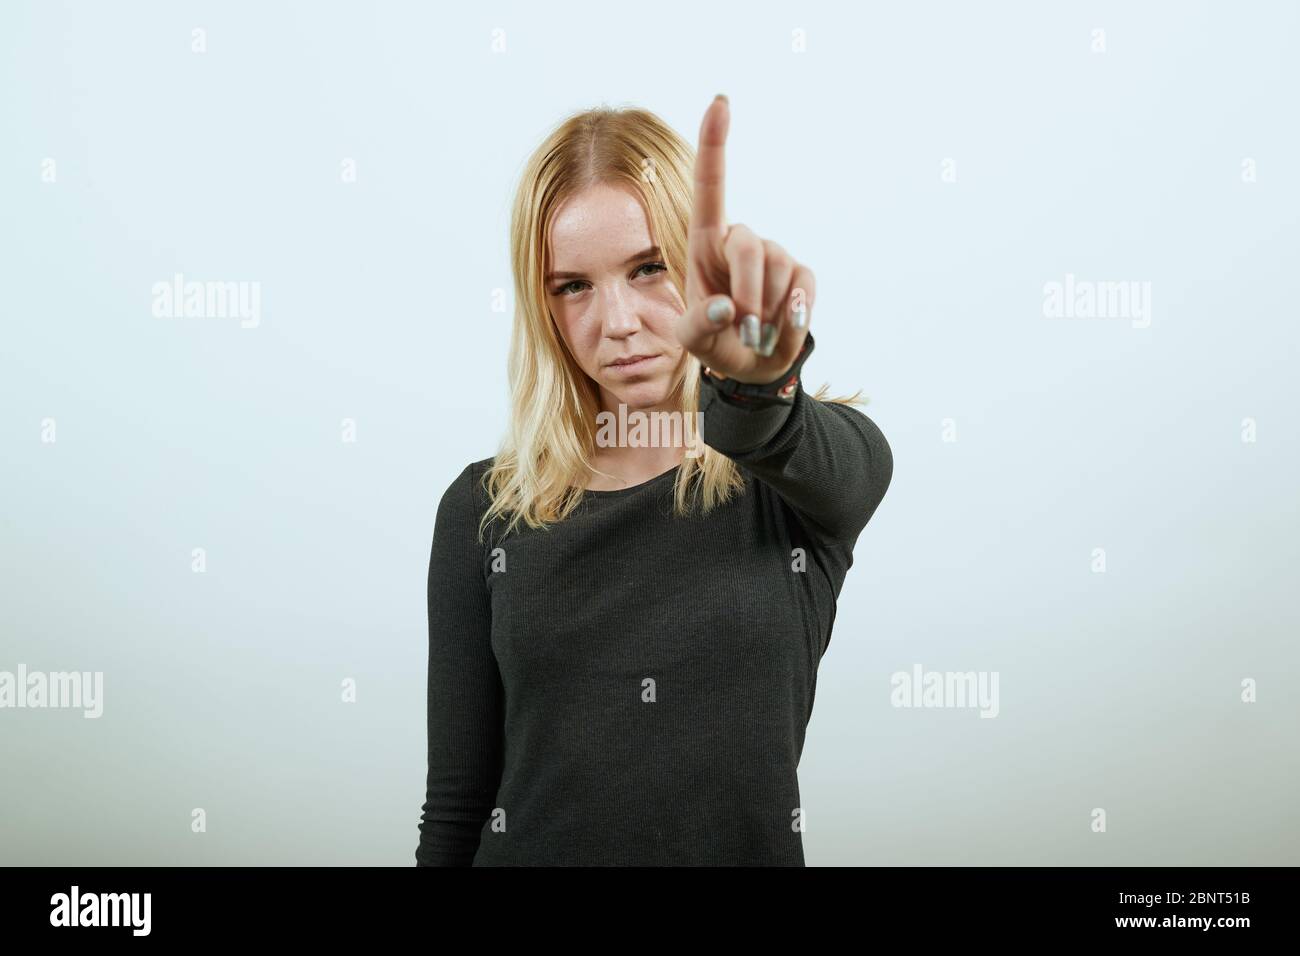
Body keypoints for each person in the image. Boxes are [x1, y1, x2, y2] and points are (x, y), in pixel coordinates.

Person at [416, 95, 893, 866]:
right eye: (572, 285)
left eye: (649, 269)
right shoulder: (485, 509)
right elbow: (457, 807)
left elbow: (828, 458)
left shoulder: (792, 482)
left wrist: (756, 391)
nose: (618, 321)